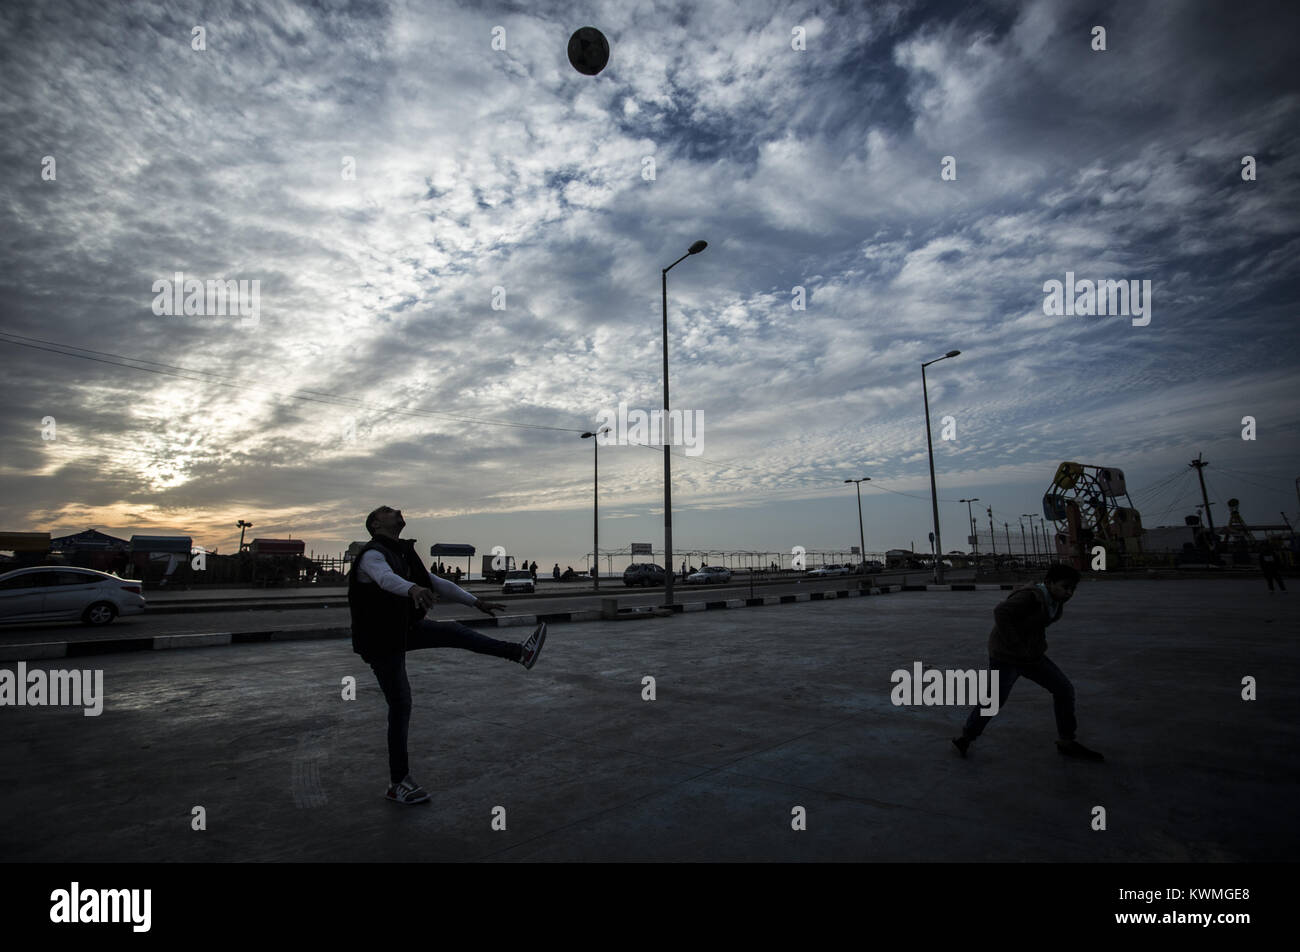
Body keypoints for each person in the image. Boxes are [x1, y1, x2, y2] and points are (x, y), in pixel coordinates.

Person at [349, 506, 548, 805]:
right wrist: (412, 589)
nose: (399, 511)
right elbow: (385, 579)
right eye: (390, 511)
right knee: (401, 704)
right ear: (376, 523)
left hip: (406, 629)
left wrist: (475, 602)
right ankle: (398, 782)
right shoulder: (373, 555)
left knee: (455, 631)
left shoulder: (403, 553)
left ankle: (520, 653)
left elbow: (437, 583)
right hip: (380, 641)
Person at [953, 562, 1103, 761]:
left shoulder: (1053, 600)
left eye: (1072, 589)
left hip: (1031, 656)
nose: (1069, 593)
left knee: (1064, 689)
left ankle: (1067, 741)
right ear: (1049, 583)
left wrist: (1033, 647)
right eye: (1065, 587)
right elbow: (1001, 612)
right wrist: (1016, 645)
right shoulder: (1030, 597)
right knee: (995, 700)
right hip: (1006, 656)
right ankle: (966, 737)